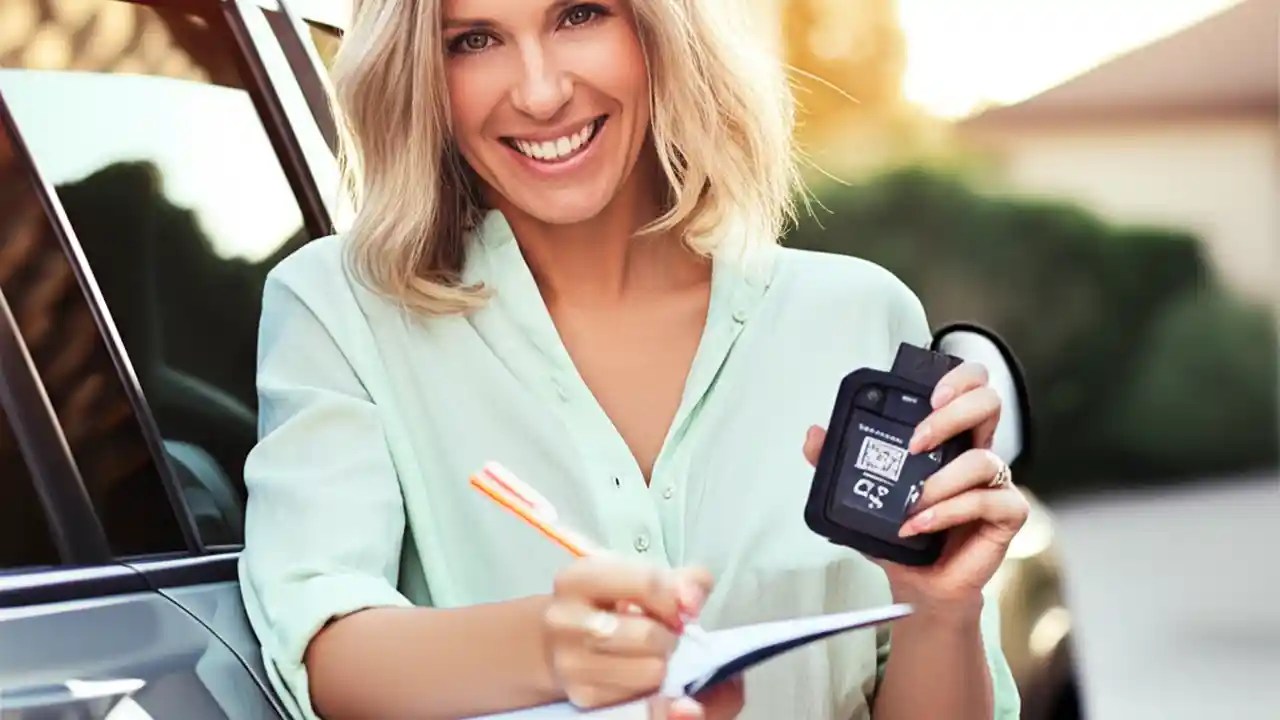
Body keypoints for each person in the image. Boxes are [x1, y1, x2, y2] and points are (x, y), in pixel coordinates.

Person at [238, 0, 1029, 718]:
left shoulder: (857, 313)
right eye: (473, 40)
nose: (541, 92)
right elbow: (324, 643)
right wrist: (553, 648)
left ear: (660, 28)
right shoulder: (341, 308)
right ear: (419, 72)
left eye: (580, 14)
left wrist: (940, 610)